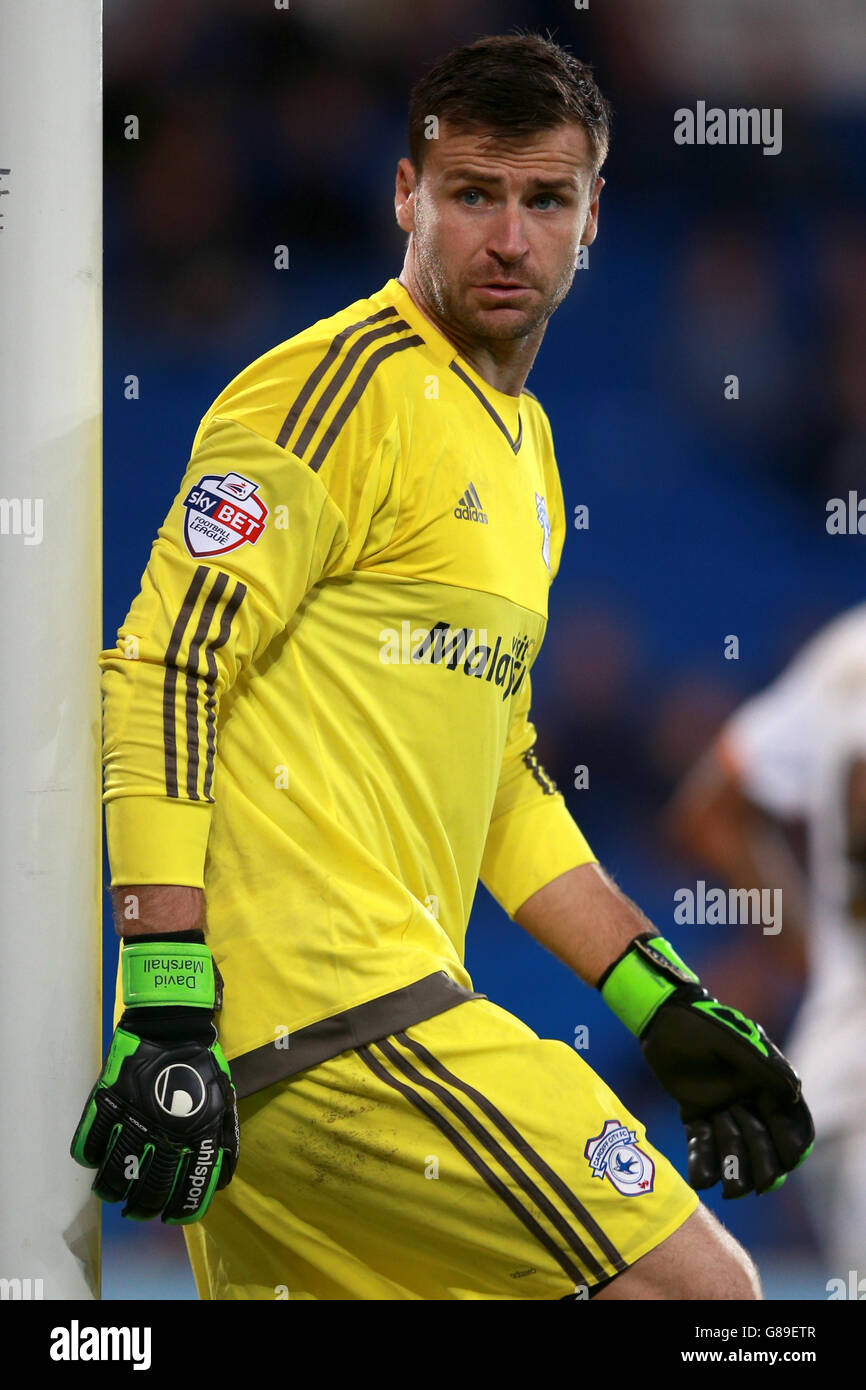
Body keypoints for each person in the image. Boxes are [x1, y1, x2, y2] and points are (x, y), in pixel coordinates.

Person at [71, 33, 810, 1301]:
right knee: (709, 1304)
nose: (508, 238)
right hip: (332, 1025)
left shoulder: (523, 454)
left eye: (545, 199)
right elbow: (164, 671)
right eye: (473, 193)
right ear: (405, 195)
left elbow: (502, 781)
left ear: (592, 217)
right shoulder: (330, 393)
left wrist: (661, 998)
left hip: (304, 1076)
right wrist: (165, 998)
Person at [668, 602, 866, 1281]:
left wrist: (822, 966)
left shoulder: (850, 654)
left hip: (848, 1073)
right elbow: (711, 814)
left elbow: (709, 808)